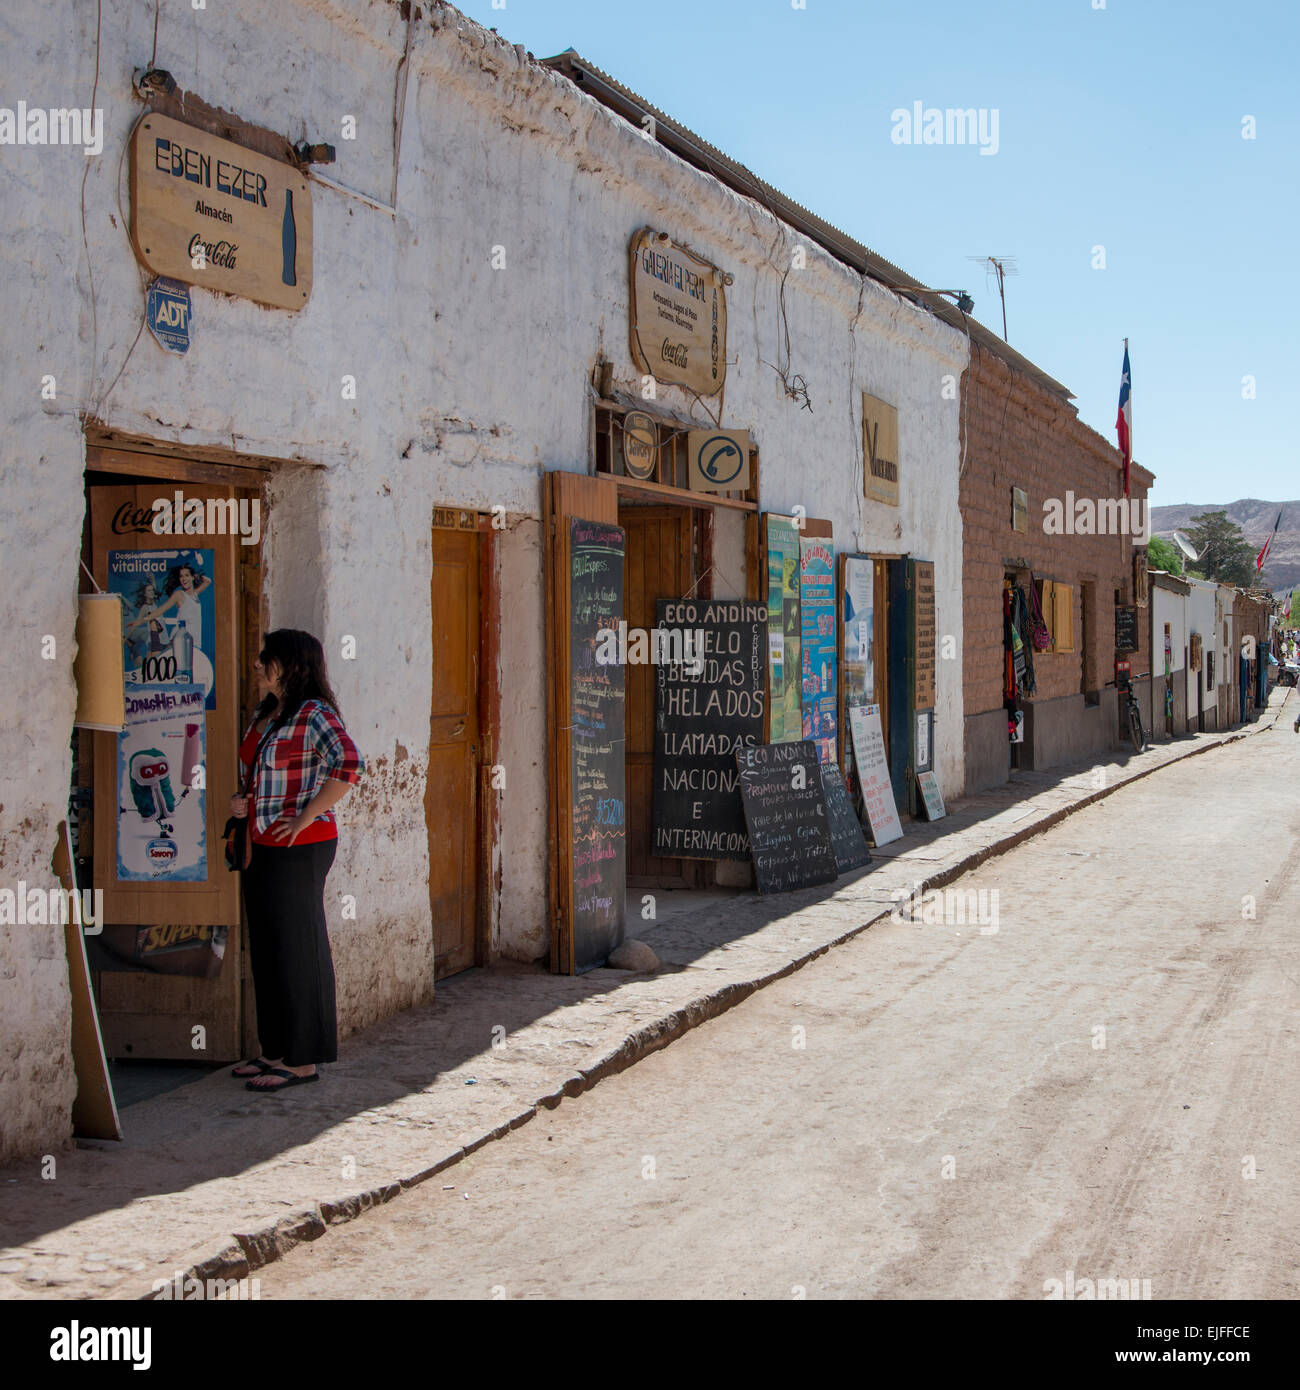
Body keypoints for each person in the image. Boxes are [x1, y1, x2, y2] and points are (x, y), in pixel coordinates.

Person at [229, 629, 364, 1092]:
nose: (257, 665)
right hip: (260, 843)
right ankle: (274, 1050)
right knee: (268, 948)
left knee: (298, 947)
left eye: (266, 658)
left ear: (290, 664)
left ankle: (303, 1060)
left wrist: (306, 816)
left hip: (301, 847)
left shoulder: (314, 714)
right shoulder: (268, 713)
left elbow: (349, 766)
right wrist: (243, 804)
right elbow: (259, 773)